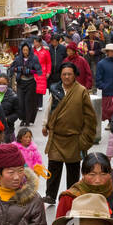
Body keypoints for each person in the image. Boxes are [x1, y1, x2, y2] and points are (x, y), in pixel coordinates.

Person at [43, 62, 97, 204]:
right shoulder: (55, 89)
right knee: (53, 166)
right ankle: (50, 195)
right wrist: (45, 124)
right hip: (57, 137)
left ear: (74, 76)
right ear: (60, 76)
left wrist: (85, 138)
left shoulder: (81, 91)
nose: (66, 77)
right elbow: (49, 107)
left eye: (69, 74)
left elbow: (90, 117)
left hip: (74, 138)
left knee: (73, 170)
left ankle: (72, 194)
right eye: (64, 74)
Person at [9, 41, 43, 129]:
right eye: (23, 50)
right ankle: (22, 119)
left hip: (31, 82)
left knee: (29, 102)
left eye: (27, 50)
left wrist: (30, 71)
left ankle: (28, 120)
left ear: (29, 50)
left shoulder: (34, 58)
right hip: (20, 82)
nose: (25, 52)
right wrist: (18, 69)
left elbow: (39, 71)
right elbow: (11, 68)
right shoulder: (18, 59)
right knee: (20, 102)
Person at [0, 72, 19, 141]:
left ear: (8, 83)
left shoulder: (13, 96)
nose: (1, 85)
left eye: (4, 84)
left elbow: (17, 113)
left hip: (8, 130)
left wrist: (7, 119)